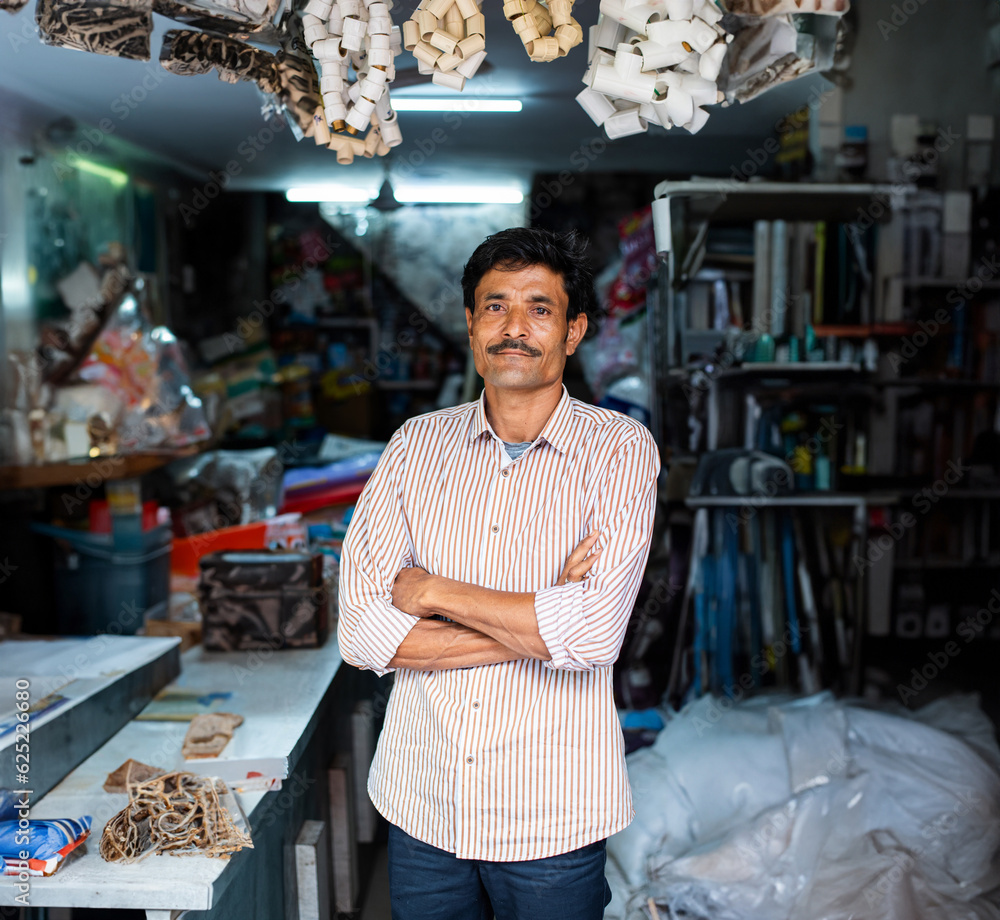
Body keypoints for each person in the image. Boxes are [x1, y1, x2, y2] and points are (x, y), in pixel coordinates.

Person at [338, 227, 660, 920]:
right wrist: (546, 621)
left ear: (573, 332)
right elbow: (363, 634)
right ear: (471, 324)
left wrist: (429, 593)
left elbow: (596, 634)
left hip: (552, 814)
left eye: (540, 309)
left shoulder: (620, 451)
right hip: (425, 803)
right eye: (495, 307)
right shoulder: (414, 447)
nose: (515, 328)